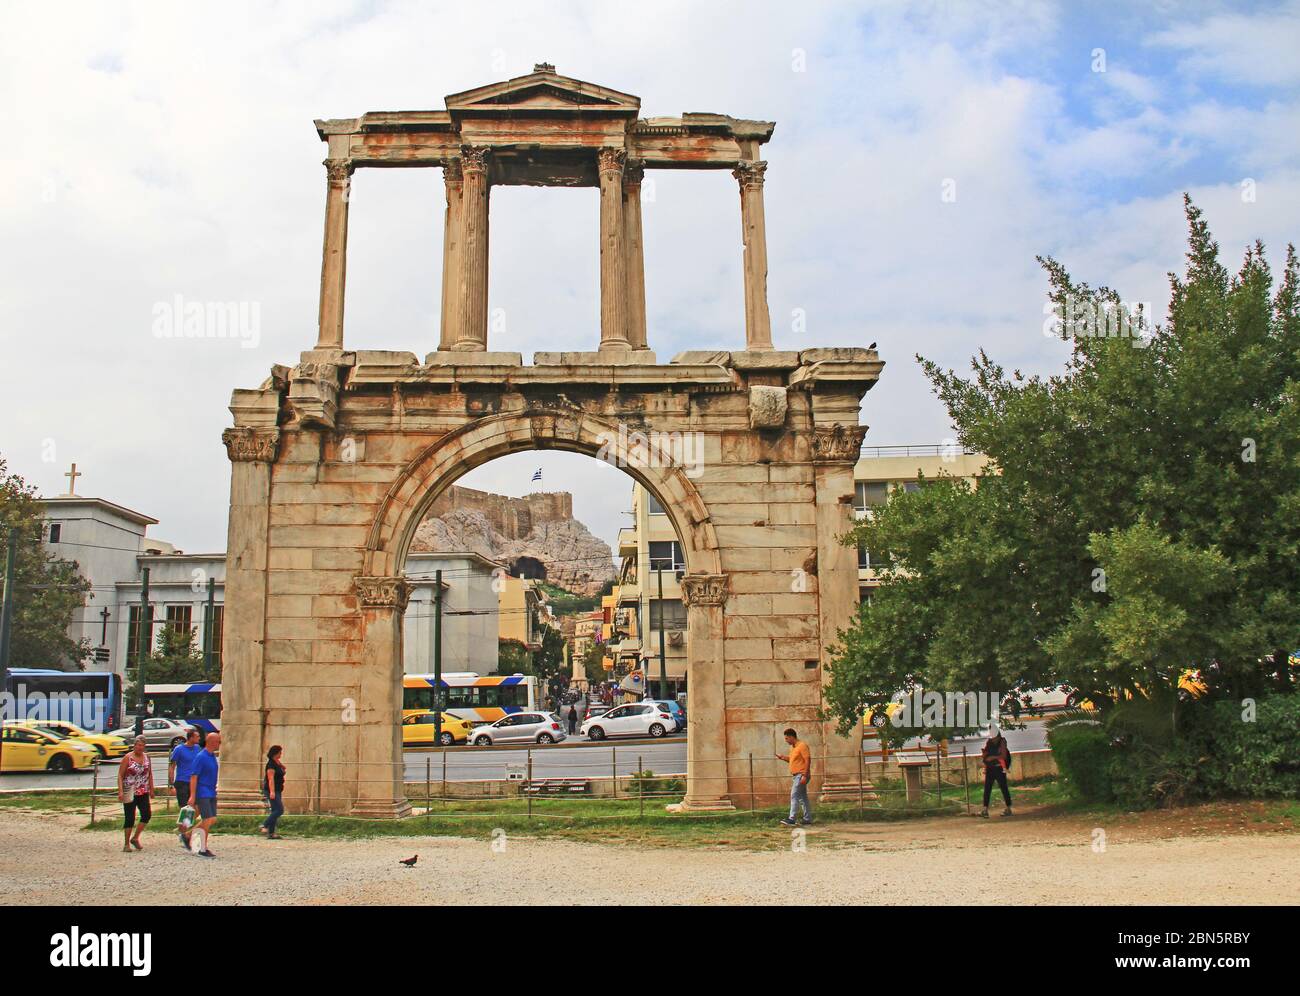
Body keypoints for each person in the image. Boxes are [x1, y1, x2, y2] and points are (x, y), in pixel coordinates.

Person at [186, 731, 221, 857]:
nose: (219, 744)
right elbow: (194, 776)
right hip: (203, 791)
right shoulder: (201, 756)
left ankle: (188, 835)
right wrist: (192, 795)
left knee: (212, 819)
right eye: (218, 742)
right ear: (212, 742)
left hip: (211, 791)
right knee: (206, 820)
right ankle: (201, 847)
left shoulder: (211, 756)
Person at [117, 736, 154, 852]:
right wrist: (120, 790)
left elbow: (150, 773)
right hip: (130, 789)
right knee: (130, 817)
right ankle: (126, 843)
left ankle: (136, 837)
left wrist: (152, 788)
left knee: (146, 814)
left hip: (143, 790)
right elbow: (120, 775)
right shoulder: (128, 758)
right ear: (134, 746)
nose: (140, 747)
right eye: (138, 745)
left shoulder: (147, 757)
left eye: (142, 745)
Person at [775, 727, 813, 827]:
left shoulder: (802, 746)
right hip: (797, 775)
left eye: (787, 738)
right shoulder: (793, 747)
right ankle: (807, 818)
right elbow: (792, 760)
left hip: (801, 775)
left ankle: (792, 818)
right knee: (802, 797)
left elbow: (807, 760)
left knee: (794, 795)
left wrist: (805, 775)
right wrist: (782, 757)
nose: (786, 741)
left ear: (792, 737)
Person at [980, 724, 1013, 818]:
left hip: (999, 768)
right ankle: (985, 809)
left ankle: (1008, 808)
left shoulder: (1002, 741)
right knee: (987, 788)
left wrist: (992, 757)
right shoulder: (989, 742)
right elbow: (985, 754)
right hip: (990, 768)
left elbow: (1003, 755)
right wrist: (987, 758)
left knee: (1003, 787)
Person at [167, 727, 202, 810]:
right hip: (182, 782)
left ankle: (189, 823)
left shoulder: (197, 748)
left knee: (198, 808)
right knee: (186, 809)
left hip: (194, 782)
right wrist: (171, 785)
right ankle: (184, 823)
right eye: (197, 736)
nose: (199, 738)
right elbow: (172, 766)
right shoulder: (179, 749)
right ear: (191, 738)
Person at [261, 745, 286, 839]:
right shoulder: (271, 764)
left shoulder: (277, 762)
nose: (281, 754)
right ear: (275, 753)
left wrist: (282, 767)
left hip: (278, 789)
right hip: (272, 789)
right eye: (280, 752)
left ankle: (271, 833)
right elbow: (270, 778)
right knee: (279, 809)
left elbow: (281, 771)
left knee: (275, 810)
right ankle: (264, 825)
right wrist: (272, 792)